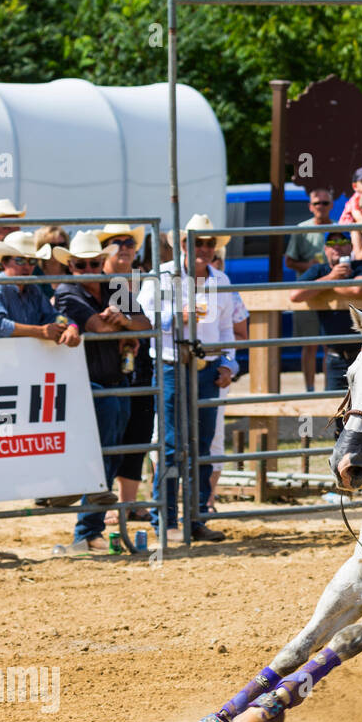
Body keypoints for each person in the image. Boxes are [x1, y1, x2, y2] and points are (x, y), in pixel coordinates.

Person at [0, 232, 83, 562]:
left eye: (32, 260)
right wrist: (41, 333)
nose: (28, 265)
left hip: (13, 382)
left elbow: (50, 318)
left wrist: (68, 325)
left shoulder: (31, 292)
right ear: (4, 263)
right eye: (21, 260)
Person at [138, 214, 245, 543]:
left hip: (208, 367)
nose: (204, 248)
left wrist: (230, 365)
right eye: (197, 242)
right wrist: (176, 316)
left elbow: (229, 329)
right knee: (171, 444)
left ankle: (196, 515)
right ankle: (166, 519)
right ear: (183, 245)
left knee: (202, 444)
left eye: (209, 242)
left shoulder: (221, 280)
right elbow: (146, 319)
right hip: (172, 364)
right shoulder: (162, 278)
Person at [52, 231, 152, 550]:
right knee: (103, 450)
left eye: (94, 262)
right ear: (71, 266)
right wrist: (124, 323)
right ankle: (85, 527)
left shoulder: (114, 286)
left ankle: (89, 528)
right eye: (81, 265)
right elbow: (97, 327)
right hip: (87, 382)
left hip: (115, 379)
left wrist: (124, 321)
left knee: (112, 451)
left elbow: (146, 323)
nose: (88, 269)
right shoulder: (68, 292)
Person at [288, 231, 362, 392]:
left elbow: (358, 289)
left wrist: (325, 286)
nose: (336, 246)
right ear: (325, 249)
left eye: (342, 241)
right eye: (330, 243)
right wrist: (331, 278)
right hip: (334, 357)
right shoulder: (320, 270)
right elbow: (295, 295)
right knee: (335, 410)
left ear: (351, 247)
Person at [284, 187, 335, 392]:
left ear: (331, 205)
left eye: (324, 203)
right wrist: (311, 267)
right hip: (308, 293)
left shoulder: (339, 228)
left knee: (330, 345)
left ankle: (328, 389)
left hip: (333, 293)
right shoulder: (301, 229)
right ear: (310, 207)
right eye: (316, 203)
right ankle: (310, 388)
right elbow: (289, 261)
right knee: (310, 344)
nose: (320, 207)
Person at [34, 226, 71, 296]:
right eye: (52, 246)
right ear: (40, 247)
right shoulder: (33, 272)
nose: (57, 249)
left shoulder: (73, 270)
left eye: (61, 245)